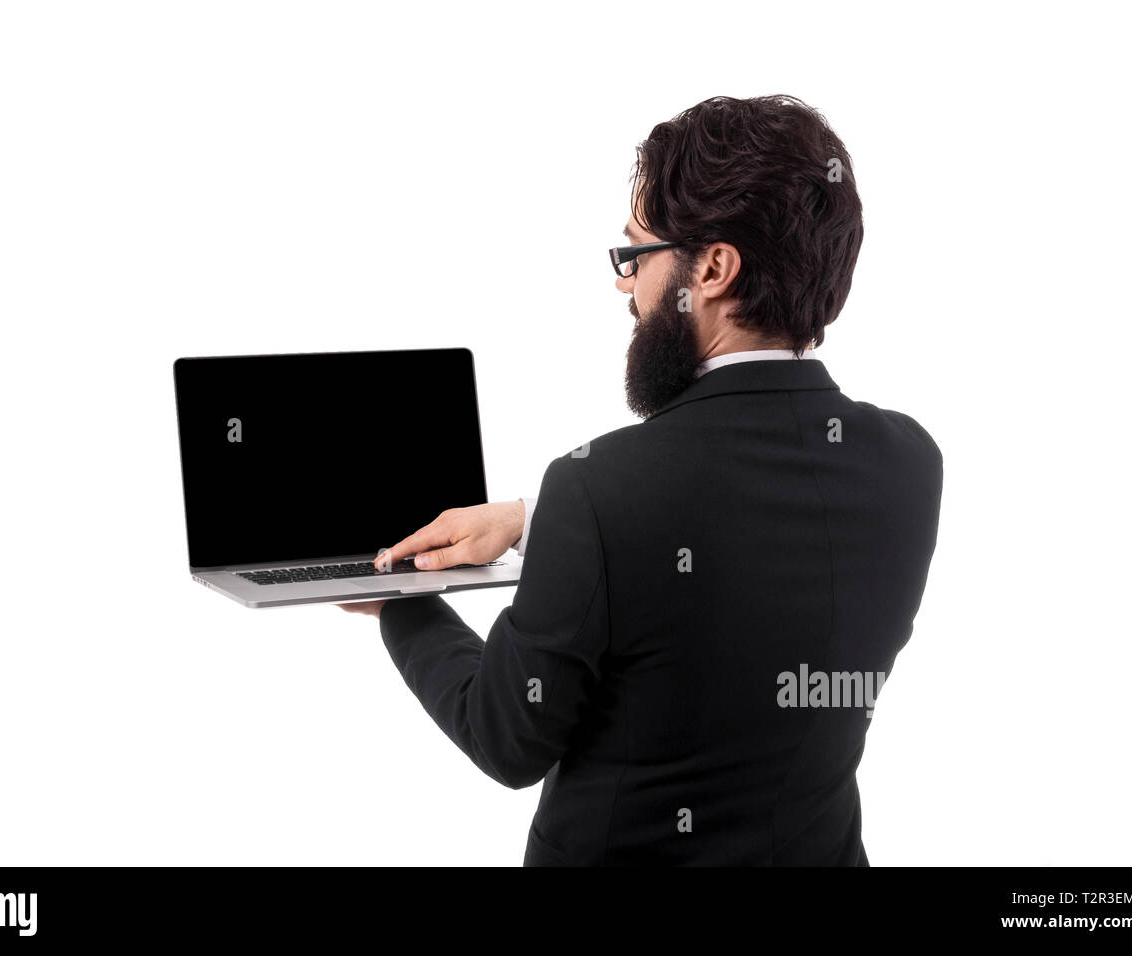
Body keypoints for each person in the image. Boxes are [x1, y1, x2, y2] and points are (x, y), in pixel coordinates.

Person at [340, 95, 943, 866]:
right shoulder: (909, 461)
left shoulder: (598, 491)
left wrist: (403, 604)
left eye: (637, 256)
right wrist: (530, 518)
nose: (626, 286)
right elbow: (729, 523)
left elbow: (506, 739)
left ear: (713, 269)